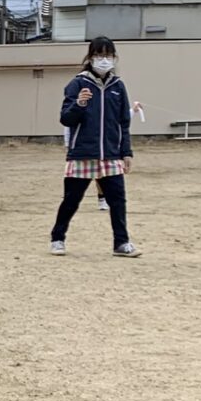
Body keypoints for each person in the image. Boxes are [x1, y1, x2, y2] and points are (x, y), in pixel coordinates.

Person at [50, 36, 139, 257]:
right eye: (99, 55)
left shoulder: (118, 86)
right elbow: (66, 119)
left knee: (117, 200)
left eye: (108, 55)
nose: (104, 60)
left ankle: (121, 243)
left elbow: (123, 123)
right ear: (90, 58)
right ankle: (58, 238)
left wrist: (126, 152)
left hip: (110, 154)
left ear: (114, 58)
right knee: (71, 200)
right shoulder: (77, 84)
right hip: (82, 153)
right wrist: (79, 104)